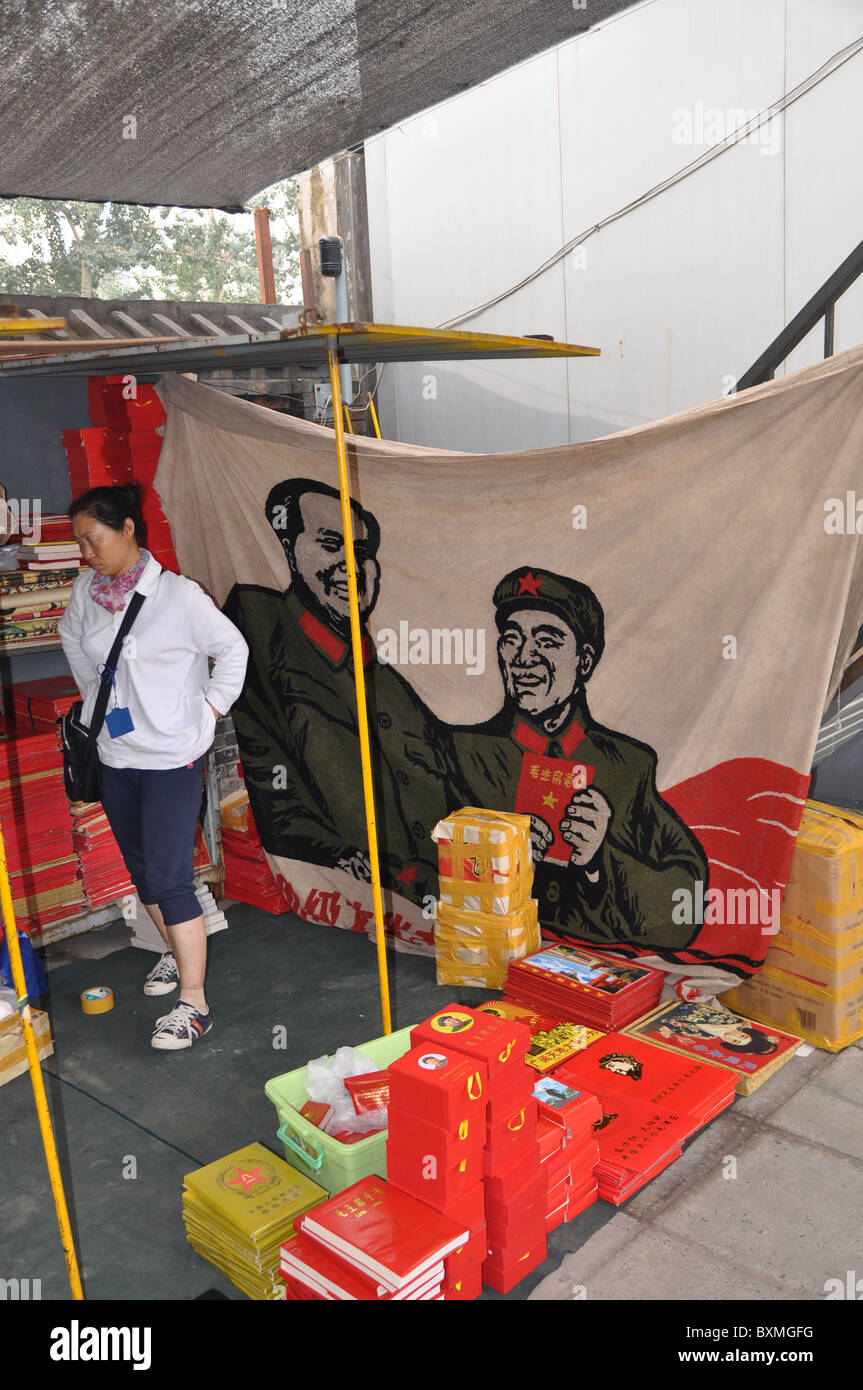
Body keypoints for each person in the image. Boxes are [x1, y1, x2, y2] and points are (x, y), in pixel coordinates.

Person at [59, 484, 248, 1050]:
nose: (85, 553)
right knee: (142, 872)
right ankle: (172, 951)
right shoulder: (85, 593)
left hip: (170, 758)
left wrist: (209, 709)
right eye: (79, 543)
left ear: (127, 530)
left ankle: (195, 1003)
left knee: (169, 878)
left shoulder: (179, 597)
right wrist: (97, 698)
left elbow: (233, 649)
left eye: (93, 540)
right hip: (117, 757)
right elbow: (72, 639)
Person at [221, 478, 461, 905]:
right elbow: (276, 785)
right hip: (360, 894)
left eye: (363, 554)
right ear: (288, 550)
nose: (351, 565)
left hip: (430, 892)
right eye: (331, 544)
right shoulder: (262, 631)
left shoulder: (391, 683)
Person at [451, 566, 708, 953]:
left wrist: (598, 858)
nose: (524, 658)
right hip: (488, 965)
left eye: (548, 641)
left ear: (584, 661)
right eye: (511, 639)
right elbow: (414, 868)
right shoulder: (464, 752)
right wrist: (497, 856)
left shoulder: (628, 764)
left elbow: (684, 905)